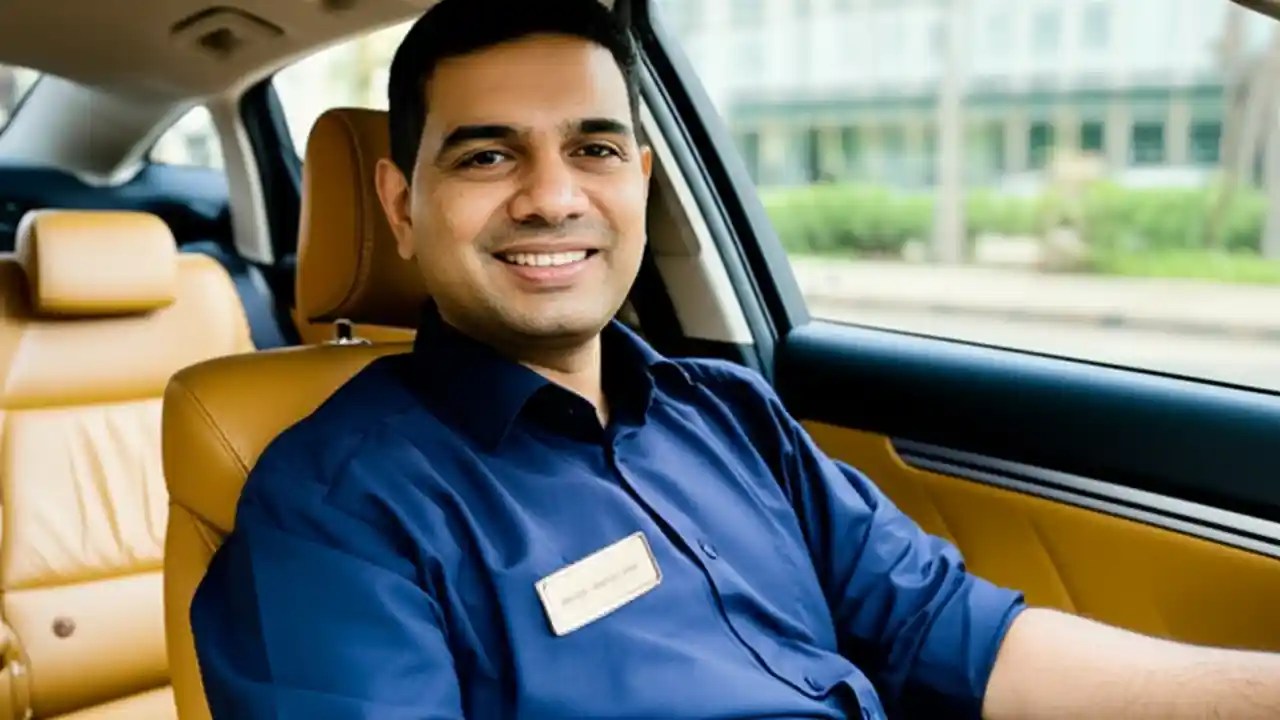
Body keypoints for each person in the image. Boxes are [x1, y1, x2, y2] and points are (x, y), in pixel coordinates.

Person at [190, 0, 1280, 718]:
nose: (554, 195)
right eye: (486, 154)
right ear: (400, 205)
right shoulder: (333, 506)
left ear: (641, 178)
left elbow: (956, 636)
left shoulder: (730, 412)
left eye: (594, 148)